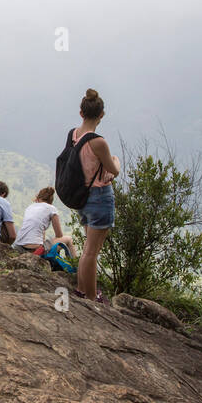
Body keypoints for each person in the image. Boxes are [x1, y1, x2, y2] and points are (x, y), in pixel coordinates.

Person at [69, 89, 121, 303]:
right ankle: (91, 296)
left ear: (81, 113)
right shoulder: (98, 142)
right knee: (92, 252)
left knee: (87, 250)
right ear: (102, 115)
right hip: (99, 196)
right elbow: (113, 170)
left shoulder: (74, 134)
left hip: (82, 197)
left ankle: (82, 290)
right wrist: (116, 160)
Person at [13, 187, 73, 253]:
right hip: (36, 250)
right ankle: (75, 263)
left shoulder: (30, 207)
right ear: (50, 201)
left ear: (38, 198)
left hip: (19, 247)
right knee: (69, 239)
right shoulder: (51, 209)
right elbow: (59, 235)